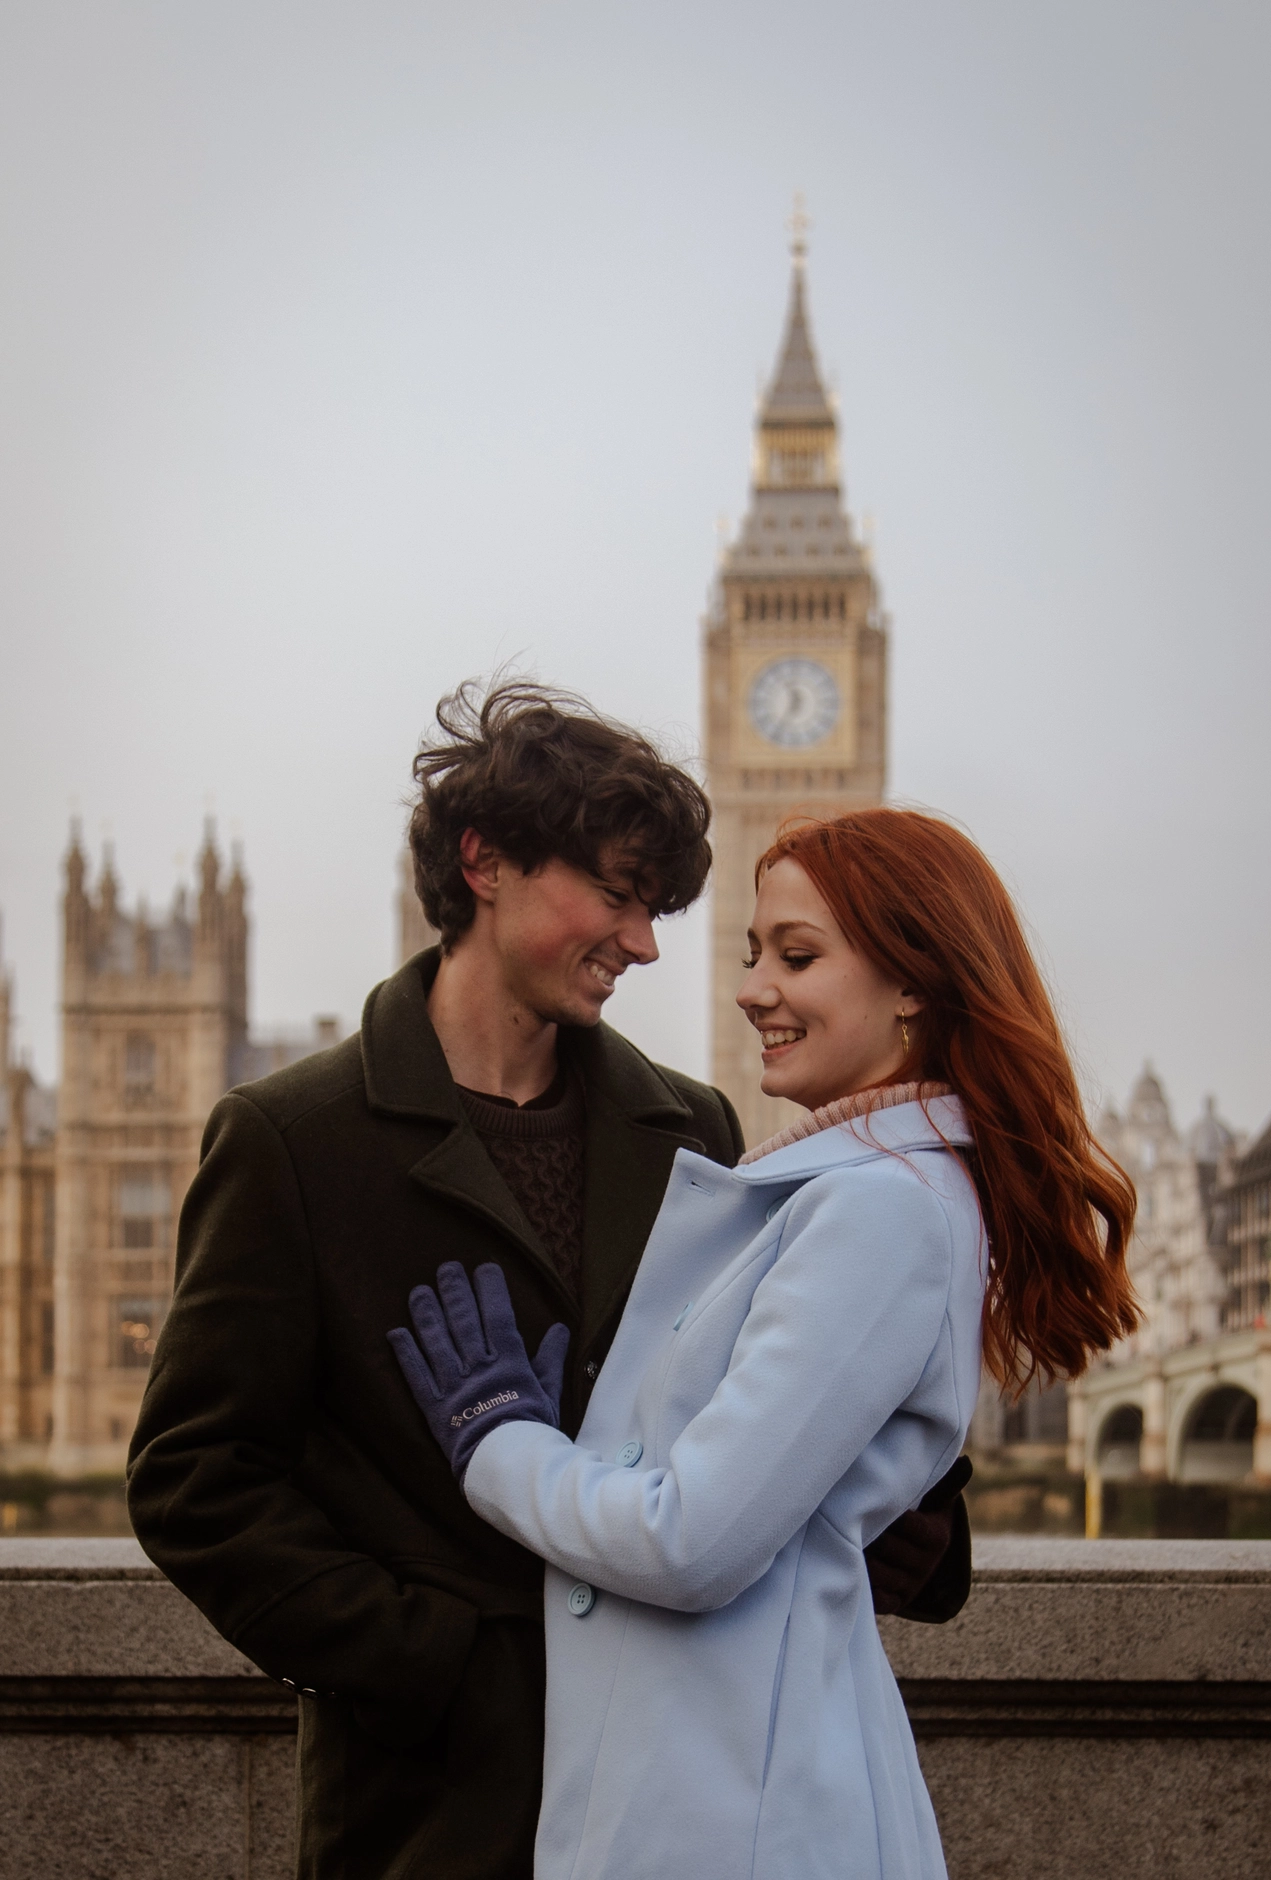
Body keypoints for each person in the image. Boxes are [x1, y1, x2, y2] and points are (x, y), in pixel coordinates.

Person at [126, 685, 969, 1880]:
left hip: (677, 1788)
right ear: (485, 861)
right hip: (433, 1806)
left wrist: (902, 1490)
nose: (644, 940)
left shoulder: (691, 1123)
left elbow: (779, 1388)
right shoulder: (291, 1137)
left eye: (657, 905)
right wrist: (434, 1660)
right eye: (618, 893)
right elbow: (193, 1480)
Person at [389, 806, 1140, 1880]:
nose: (751, 988)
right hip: (708, 1794)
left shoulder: (880, 1209)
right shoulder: (840, 1187)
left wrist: (497, 1437)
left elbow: (689, 1535)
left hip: (748, 1820)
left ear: (914, 980)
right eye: (752, 955)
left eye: (797, 955)